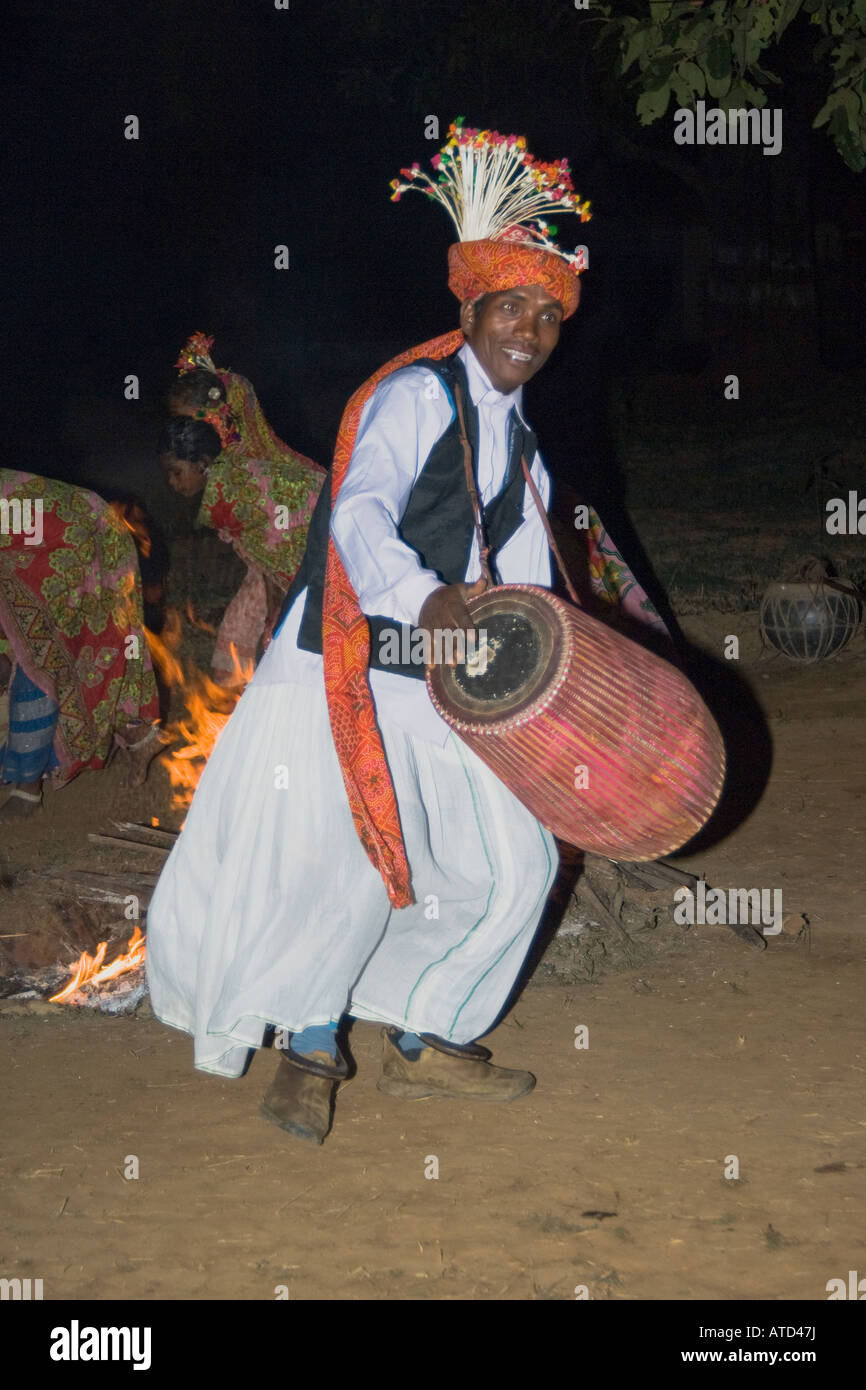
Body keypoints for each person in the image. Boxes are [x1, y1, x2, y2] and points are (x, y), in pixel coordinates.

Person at [146, 120, 666, 1145]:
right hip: (343, 667)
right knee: (343, 868)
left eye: (547, 315)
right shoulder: (412, 396)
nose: (529, 330)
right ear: (469, 311)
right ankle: (308, 1050)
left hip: (444, 683)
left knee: (517, 863)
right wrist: (422, 595)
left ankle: (428, 1038)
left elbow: (523, 580)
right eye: (510, 308)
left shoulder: (521, 440)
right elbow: (357, 515)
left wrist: (557, 676)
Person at [161, 336, 324, 683]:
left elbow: (281, 564)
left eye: (188, 424)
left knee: (283, 627)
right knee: (245, 622)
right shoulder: (228, 469)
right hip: (285, 551)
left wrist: (277, 621)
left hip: (316, 550)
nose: (179, 433)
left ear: (217, 420)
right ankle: (237, 689)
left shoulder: (244, 479)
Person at [0, 470, 161, 819]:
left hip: (72, 541)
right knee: (86, 654)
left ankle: (28, 787)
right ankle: (139, 736)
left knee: (38, 652)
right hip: (43, 543)